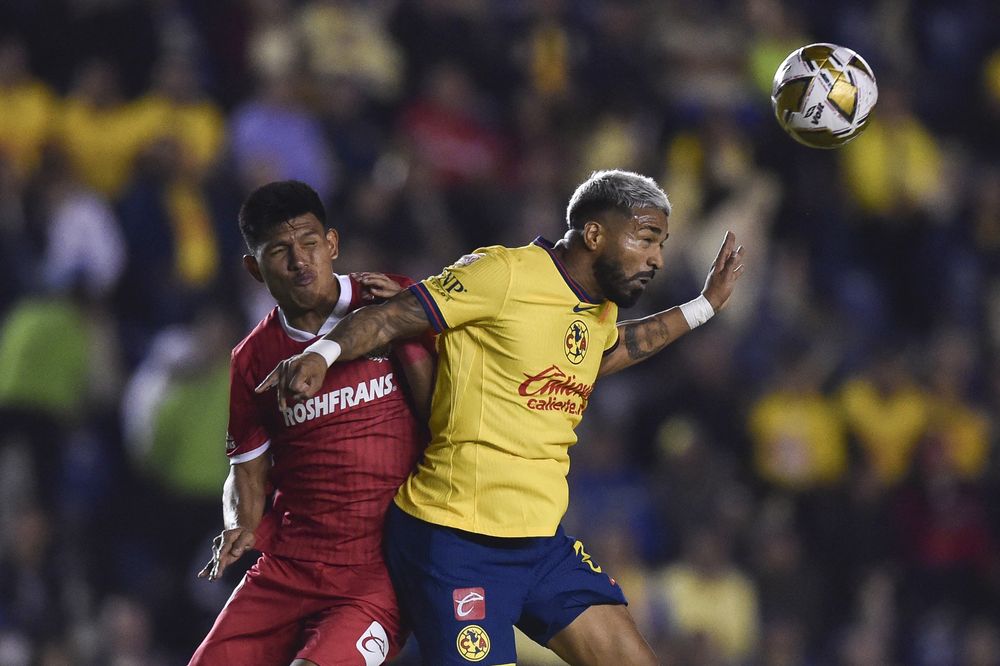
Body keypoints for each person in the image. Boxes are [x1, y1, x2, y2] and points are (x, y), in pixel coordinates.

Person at [257, 169, 746, 665]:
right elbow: (390, 316)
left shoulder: (595, 310)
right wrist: (321, 355)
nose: (657, 258)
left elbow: (616, 348)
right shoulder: (504, 273)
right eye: (646, 239)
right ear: (595, 234)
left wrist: (705, 306)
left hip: (538, 544)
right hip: (456, 541)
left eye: (660, 244)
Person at [189, 180, 434, 666]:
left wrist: (419, 320)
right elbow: (247, 468)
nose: (300, 260)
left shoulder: (391, 302)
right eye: (280, 250)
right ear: (254, 268)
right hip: (289, 565)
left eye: (309, 243)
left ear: (333, 244)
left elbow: (446, 407)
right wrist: (239, 522)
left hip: (376, 571)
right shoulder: (251, 360)